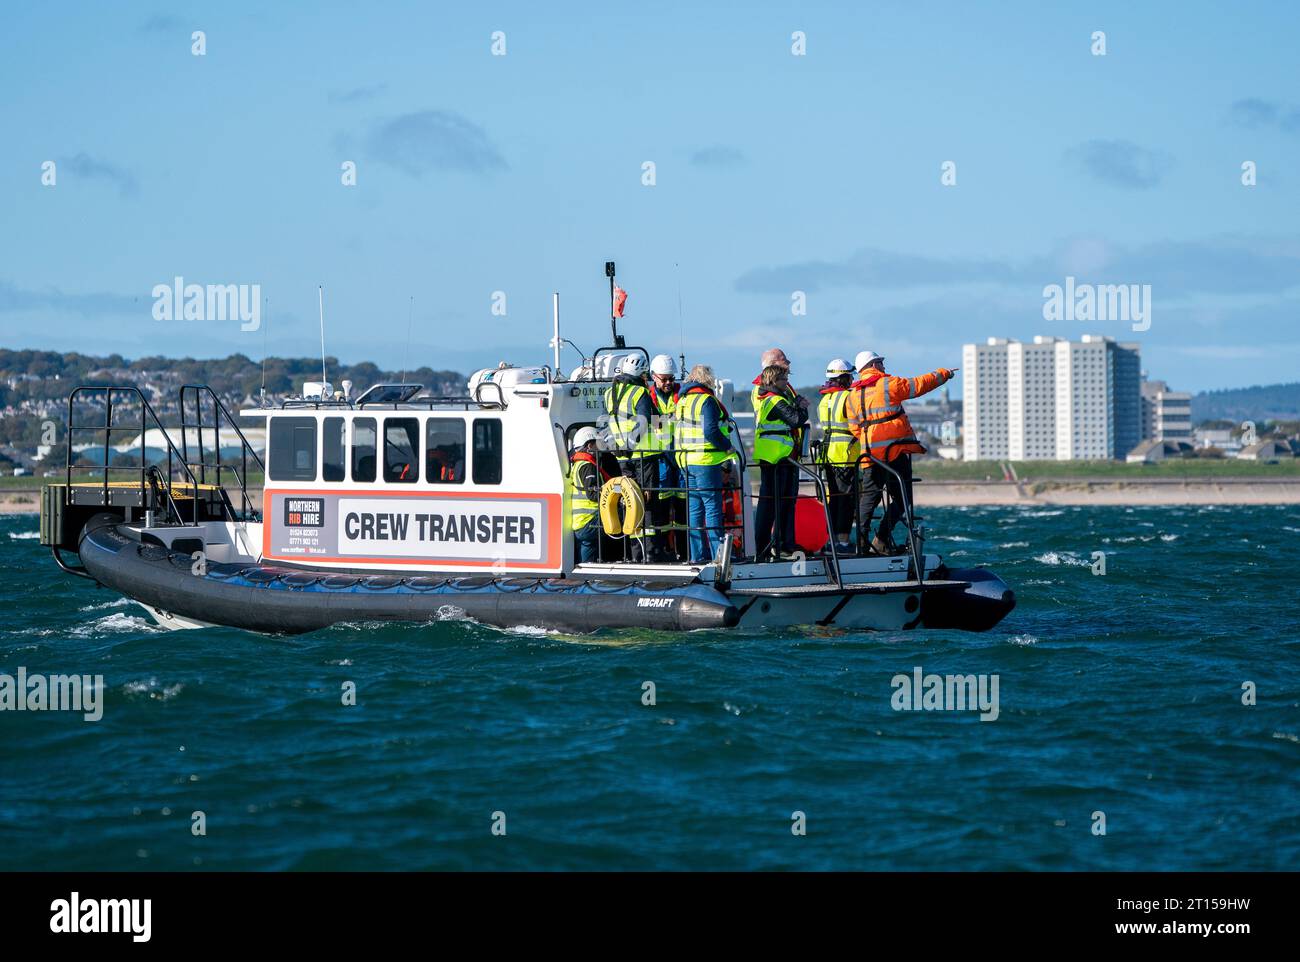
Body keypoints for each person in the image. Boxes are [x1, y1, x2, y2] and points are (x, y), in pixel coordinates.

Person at [844, 350, 956, 555]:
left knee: (868, 499)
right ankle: (882, 538)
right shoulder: (888, 385)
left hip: (869, 454)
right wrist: (944, 373)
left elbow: (855, 428)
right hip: (894, 451)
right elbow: (919, 385)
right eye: (881, 362)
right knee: (903, 498)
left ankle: (860, 545)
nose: (884, 366)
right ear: (874, 365)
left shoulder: (851, 395)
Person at [603, 355, 662, 562]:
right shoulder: (640, 392)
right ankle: (651, 553)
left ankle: (635, 553)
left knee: (630, 503)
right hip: (643, 457)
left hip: (622, 458)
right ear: (642, 373)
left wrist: (622, 447)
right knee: (647, 504)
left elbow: (609, 423)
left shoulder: (610, 392)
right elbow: (645, 421)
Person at [673, 363, 733, 564]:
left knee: (695, 510)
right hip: (705, 460)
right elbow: (711, 431)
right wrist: (727, 446)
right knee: (713, 509)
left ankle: (696, 556)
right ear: (708, 379)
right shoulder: (707, 400)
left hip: (686, 460)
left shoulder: (681, 401)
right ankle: (719, 556)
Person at [752, 364, 808, 560]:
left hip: (776, 458)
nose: (787, 382)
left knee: (775, 504)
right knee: (773, 505)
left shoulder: (770, 399)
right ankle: (767, 547)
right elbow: (795, 420)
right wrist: (801, 407)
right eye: (784, 379)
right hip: (776, 458)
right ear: (774, 381)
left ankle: (774, 545)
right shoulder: (774, 400)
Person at [816, 358, 859, 553]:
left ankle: (831, 540)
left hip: (827, 455)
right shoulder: (848, 398)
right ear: (844, 378)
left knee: (833, 498)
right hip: (846, 454)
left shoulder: (825, 399)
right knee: (846, 499)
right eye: (850, 376)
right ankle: (843, 542)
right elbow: (856, 424)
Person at [648, 354, 685, 560]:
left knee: (683, 509)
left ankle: (684, 552)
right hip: (660, 459)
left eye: (671, 378)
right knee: (660, 510)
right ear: (654, 377)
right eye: (665, 379)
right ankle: (662, 551)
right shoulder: (647, 396)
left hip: (679, 458)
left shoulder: (681, 394)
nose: (669, 383)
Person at [568, 426, 608, 563]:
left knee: (588, 548)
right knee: (622, 516)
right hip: (589, 521)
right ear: (589, 445)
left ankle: (587, 569)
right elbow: (592, 493)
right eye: (597, 443)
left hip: (582, 522)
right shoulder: (587, 466)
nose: (600, 447)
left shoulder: (578, 464)